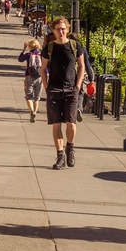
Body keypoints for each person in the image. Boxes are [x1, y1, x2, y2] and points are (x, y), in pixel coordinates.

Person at [42, 15, 84, 169]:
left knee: (71, 123)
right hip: (54, 89)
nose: (61, 32)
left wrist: (78, 86)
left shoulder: (75, 46)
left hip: (71, 89)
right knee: (56, 124)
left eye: (63, 29)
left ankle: (70, 148)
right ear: (53, 30)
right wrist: (47, 87)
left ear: (67, 29)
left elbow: (82, 66)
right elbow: (43, 69)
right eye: (58, 29)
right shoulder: (50, 48)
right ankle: (60, 156)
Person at [18, 37, 43, 123]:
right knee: (37, 97)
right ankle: (35, 112)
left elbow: (20, 59)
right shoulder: (41, 55)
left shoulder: (29, 55)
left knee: (28, 96)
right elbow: (46, 67)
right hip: (39, 78)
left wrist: (24, 49)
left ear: (30, 47)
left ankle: (31, 111)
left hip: (29, 76)